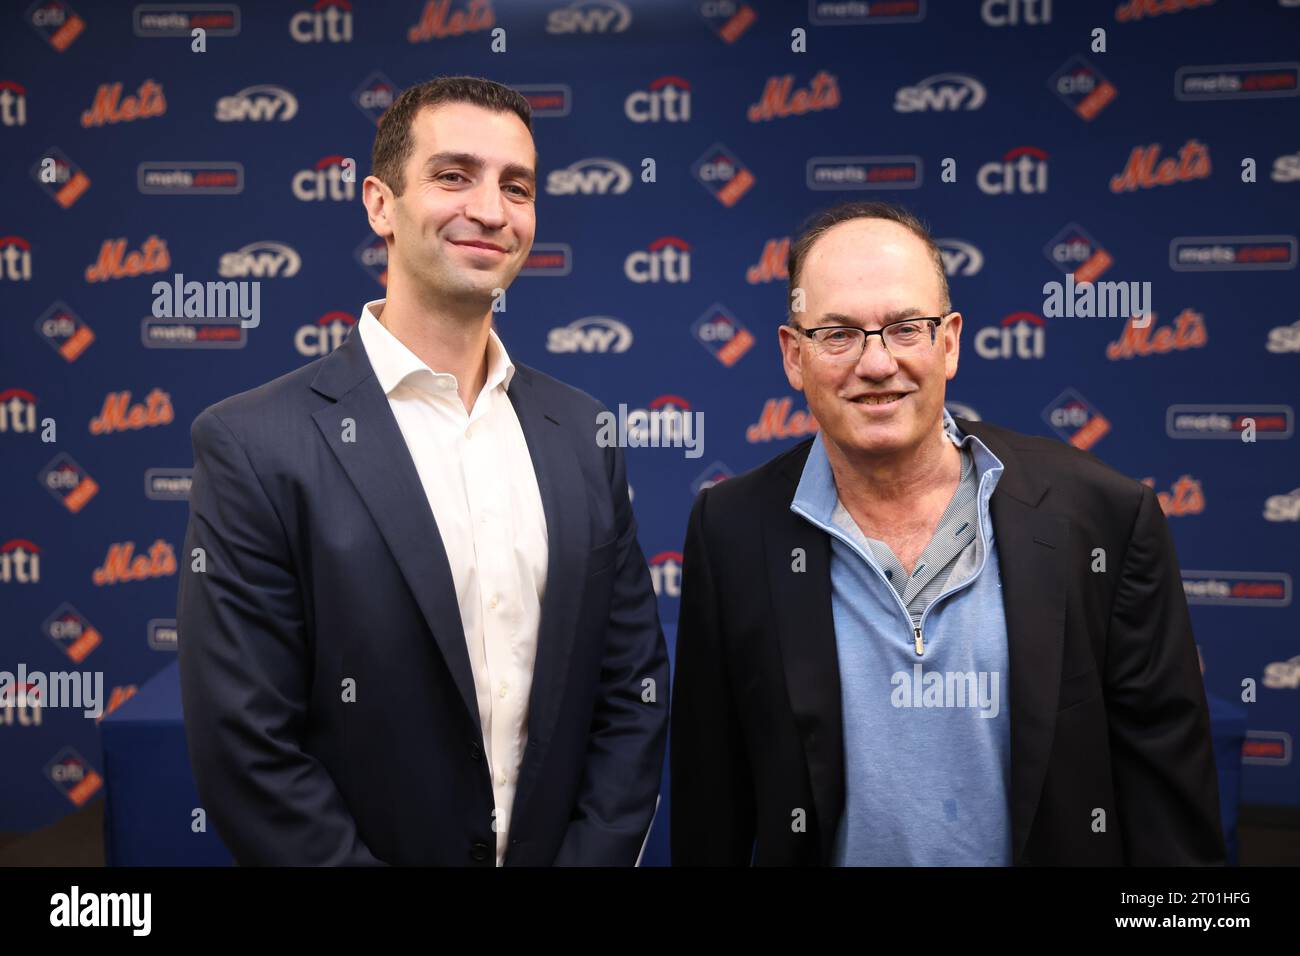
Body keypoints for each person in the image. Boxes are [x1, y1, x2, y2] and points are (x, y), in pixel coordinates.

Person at [177, 76, 668, 866]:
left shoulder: (581, 433)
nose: (490, 209)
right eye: (453, 176)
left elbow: (630, 695)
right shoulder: (254, 444)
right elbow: (247, 746)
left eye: (516, 186)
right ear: (380, 204)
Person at [670, 200, 1224, 866]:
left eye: (906, 328)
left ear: (950, 341)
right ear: (794, 355)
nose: (876, 364)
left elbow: (1168, 805)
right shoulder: (732, 531)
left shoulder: (1101, 517)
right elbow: (711, 806)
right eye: (839, 334)